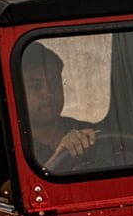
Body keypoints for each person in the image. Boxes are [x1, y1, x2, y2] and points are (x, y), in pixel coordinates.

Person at [21, 42, 97, 171]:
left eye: (55, 83)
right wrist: (57, 160)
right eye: (36, 86)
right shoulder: (9, 146)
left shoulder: (88, 132)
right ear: (17, 91)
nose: (49, 93)